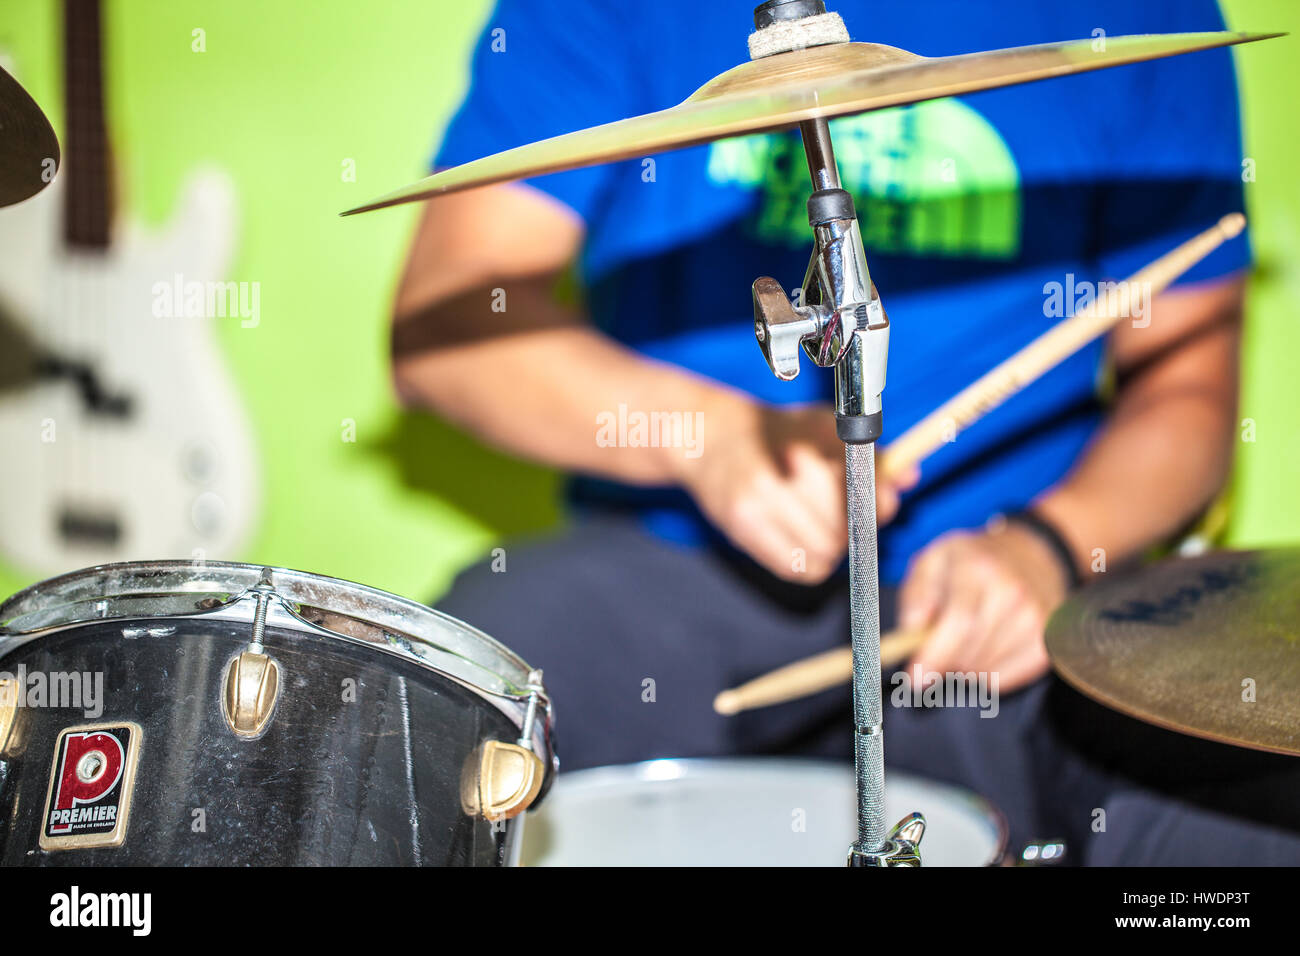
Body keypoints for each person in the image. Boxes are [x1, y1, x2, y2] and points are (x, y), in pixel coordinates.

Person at [391, 1, 1298, 863]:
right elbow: (443, 331)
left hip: (1002, 585)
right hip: (677, 568)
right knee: (443, 708)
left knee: (1229, 807)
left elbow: (1188, 394)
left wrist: (1055, 546)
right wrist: (707, 438)